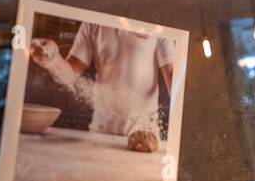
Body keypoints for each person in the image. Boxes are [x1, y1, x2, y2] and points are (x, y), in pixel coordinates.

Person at [29, 23, 174, 137]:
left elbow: (174, 80)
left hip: (144, 135)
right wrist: (53, 60)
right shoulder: (92, 23)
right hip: (101, 132)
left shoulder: (157, 23)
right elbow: (71, 74)